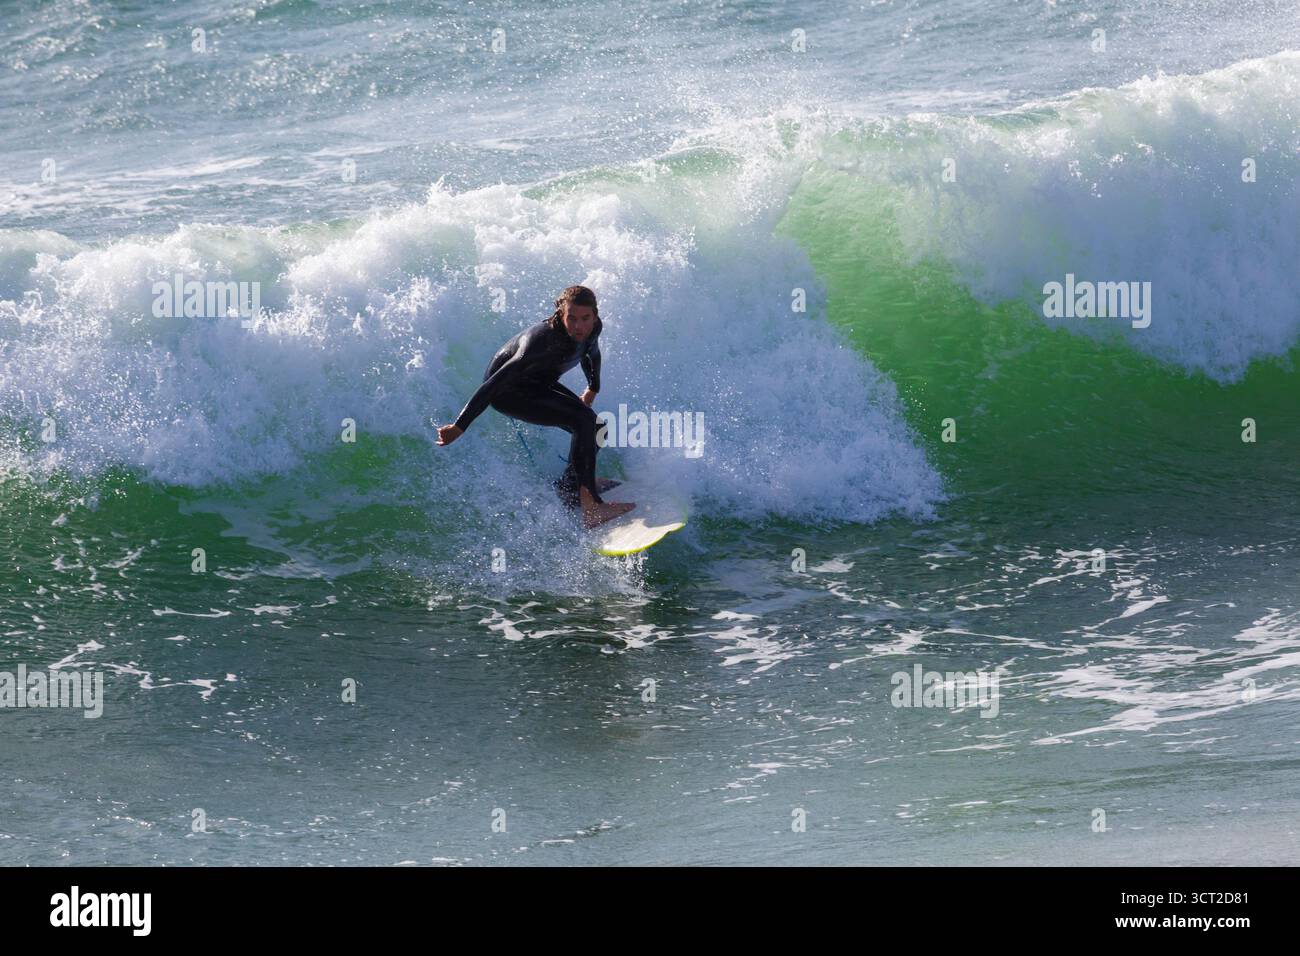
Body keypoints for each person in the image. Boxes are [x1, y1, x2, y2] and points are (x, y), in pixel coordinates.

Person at [435, 285, 635, 528]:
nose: (579, 326)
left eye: (585, 318)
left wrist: (593, 387)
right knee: (585, 422)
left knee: (597, 428)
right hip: (509, 393)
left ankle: (571, 486)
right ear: (561, 314)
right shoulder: (540, 343)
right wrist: (460, 425)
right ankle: (591, 506)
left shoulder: (593, 329)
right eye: (571, 318)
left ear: (595, 315)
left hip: (540, 383)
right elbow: (493, 384)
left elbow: (591, 354)